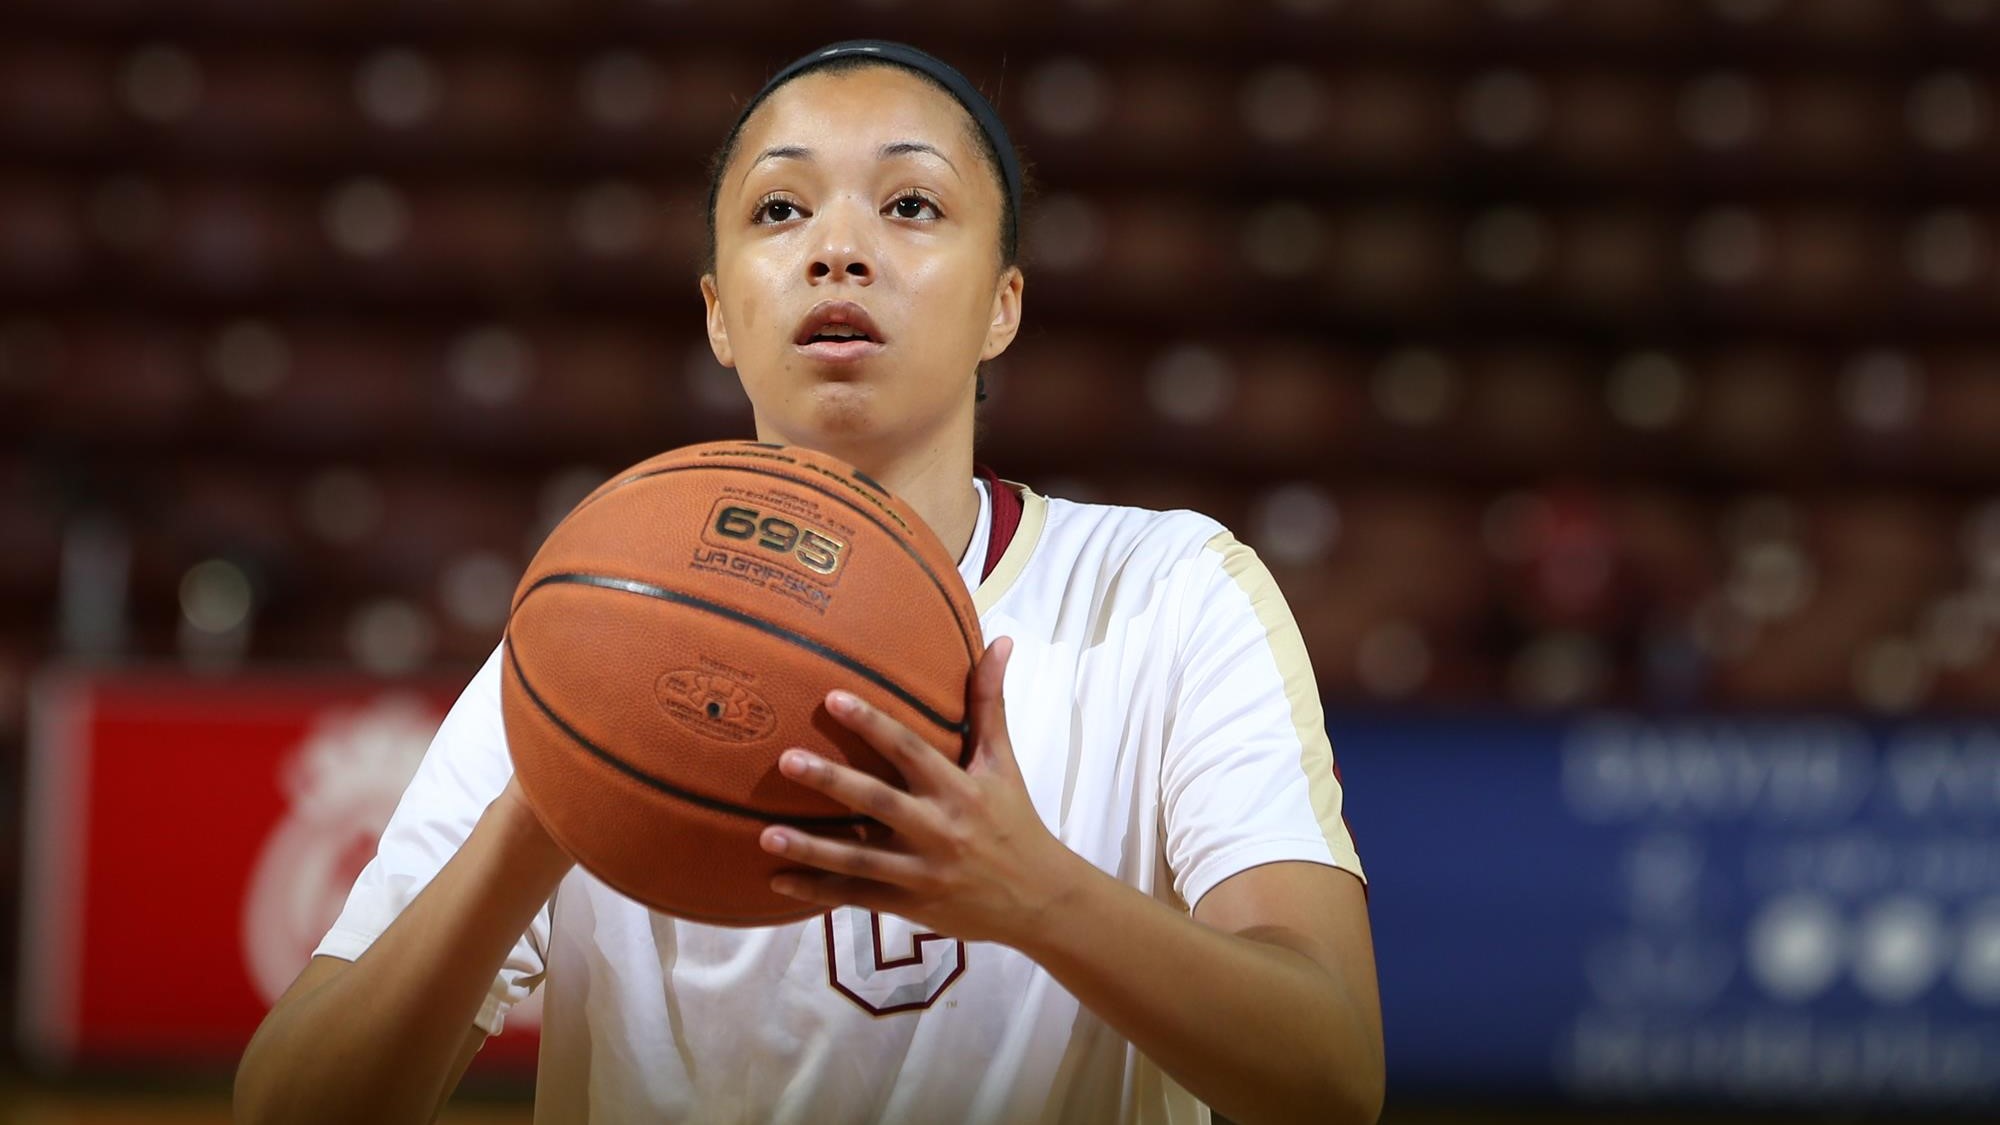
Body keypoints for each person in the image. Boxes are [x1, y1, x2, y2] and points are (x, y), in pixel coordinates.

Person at [235, 40, 1382, 1125]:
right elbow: (290, 1105)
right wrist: (546, 801)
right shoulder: (595, 626)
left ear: (1002, 306)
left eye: (911, 205)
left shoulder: (1168, 592)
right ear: (720, 315)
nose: (837, 249)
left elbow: (1332, 1073)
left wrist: (1035, 894)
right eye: (779, 210)